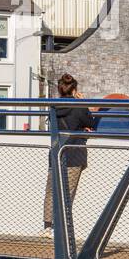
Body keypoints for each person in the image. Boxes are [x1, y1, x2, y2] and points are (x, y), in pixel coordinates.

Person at [43, 74, 96, 233]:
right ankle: (60, 229)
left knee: (52, 191)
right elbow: (91, 123)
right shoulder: (78, 107)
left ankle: (47, 227)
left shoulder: (53, 107)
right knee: (67, 193)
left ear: (60, 90)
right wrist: (82, 103)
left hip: (56, 152)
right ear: (74, 90)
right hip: (74, 153)